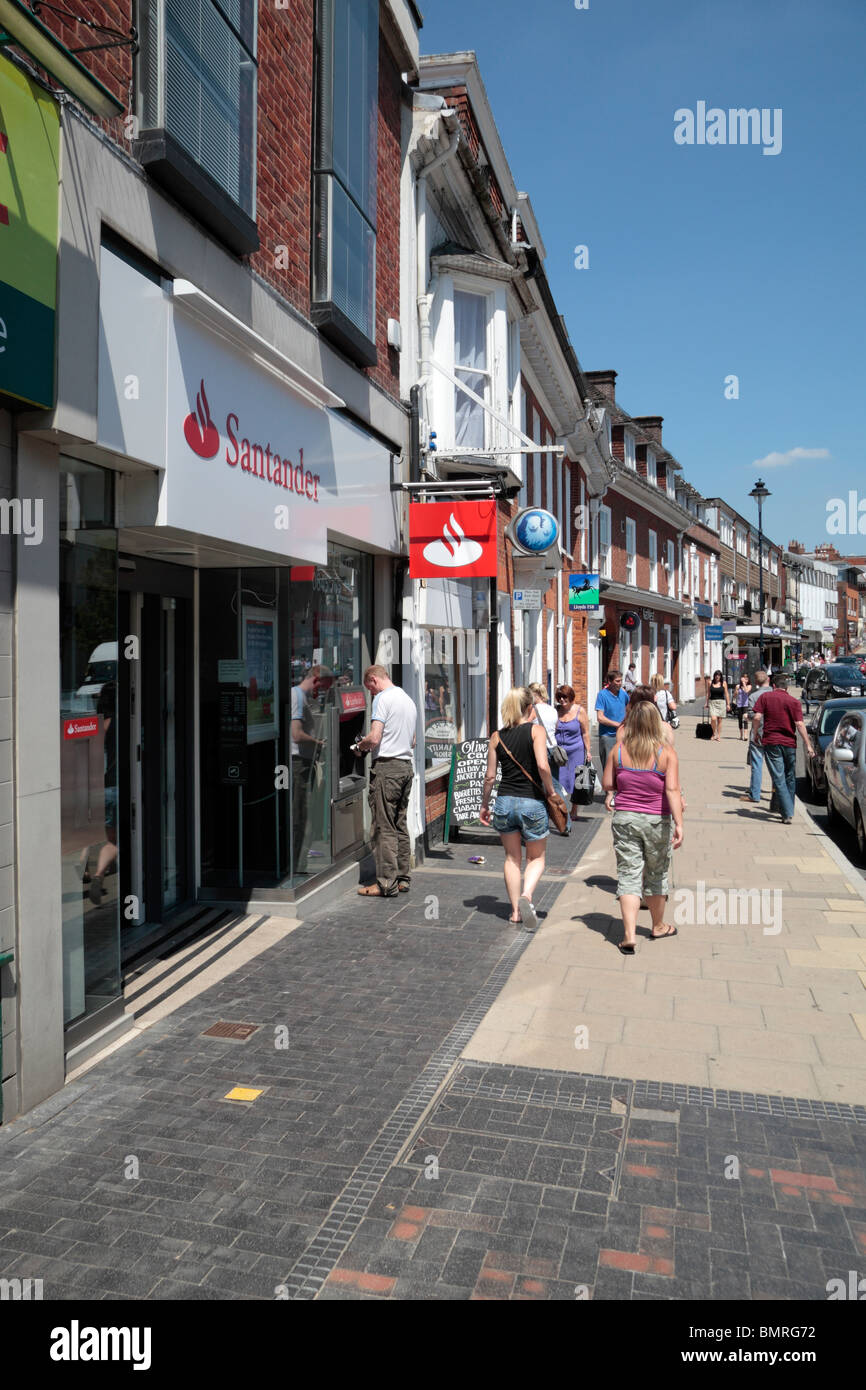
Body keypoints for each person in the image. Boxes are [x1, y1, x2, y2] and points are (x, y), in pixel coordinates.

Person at [602, 701, 684, 953]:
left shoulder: (618, 750)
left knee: (628, 874)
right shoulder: (666, 752)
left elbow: (607, 784)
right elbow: (671, 789)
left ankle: (629, 934)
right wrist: (679, 823)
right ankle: (658, 926)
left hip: (625, 819)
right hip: (656, 820)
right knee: (657, 874)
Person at [480, 687, 557, 930]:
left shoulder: (496, 736)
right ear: (528, 708)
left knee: (512, 858)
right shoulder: (537, 731)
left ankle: (514, 912)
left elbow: (490, 777)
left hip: (504, 802)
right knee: (537, 857)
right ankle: (527, 896)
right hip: (531, 801)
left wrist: (484, 804)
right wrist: (551, 791)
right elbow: (543, 766)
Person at [356, 665, 417, 897]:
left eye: (369, 688)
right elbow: (411, 741)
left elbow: (375, 737)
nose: (371, 693)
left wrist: (359, 746)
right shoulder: (408, 700)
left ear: (374, 680)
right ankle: (402, 878)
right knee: (400, 824)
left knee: (383, 827)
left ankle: (386, 884)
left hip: (387, 769)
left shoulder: (383, 699)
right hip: (405, 768)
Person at [751, 673, 815, 824]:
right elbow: (799, 724)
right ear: (786, 688)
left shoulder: (765, 698)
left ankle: (786, 813)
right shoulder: (794, 702)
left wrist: (755, 734)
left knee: (778, 777)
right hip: (789, 743)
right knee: (789, 776)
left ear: (773, 686)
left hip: (772, 742)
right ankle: (789, 808)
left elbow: (756, 717)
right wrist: (808, 744)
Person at [290, 665, 332, 874]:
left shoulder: (303, 698)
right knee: (300, 814)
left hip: (305, 762)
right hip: (299, 763)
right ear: (315, 680)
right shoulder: (297, 696)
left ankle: (299, 862)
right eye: (323, 687)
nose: (322, 692)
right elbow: (295, 734)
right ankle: (295, 863)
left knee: (305, 815)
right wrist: (318, 742)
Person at [553, 684, 591, 822]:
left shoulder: (580, 711)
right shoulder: (556, 711)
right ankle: (559, 809)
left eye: (565, 697)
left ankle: (574, 810)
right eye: (560, 697)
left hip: (576, 750)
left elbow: (585, 733)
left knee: (576, 781)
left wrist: (588, 751)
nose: (562, 700)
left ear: (571, 697)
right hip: (559, 752)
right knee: (558, 780)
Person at [739, 670, 769, 805]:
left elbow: (753, 715)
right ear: (768, 679)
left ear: (756, 682)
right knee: (776, 766)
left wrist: (747, 716)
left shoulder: (754, 696)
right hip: (774, 734)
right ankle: (777, 795)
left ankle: (755, 794)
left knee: (756, 765)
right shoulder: (775, 694)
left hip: (759, 734)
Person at [595, 670, 629, 769]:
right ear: (609, 682)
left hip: (623, 735)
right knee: (608, 767)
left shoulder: (623, 694)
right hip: (607, 736)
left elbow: (630, 708)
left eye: (621, 681)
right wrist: (618, 725)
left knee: (623, 766)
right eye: (617, 681)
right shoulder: (602, 695)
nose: (620, 683)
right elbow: (600, 718)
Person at [528, 682, 558, 748]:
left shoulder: (533, 710)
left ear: (534, 694)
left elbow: (524, 727)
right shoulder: (553, 710)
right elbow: (555, 728)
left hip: (540, 748)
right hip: (553, 746)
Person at [704, 668, 730, 741]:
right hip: (712, 702)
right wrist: (706, 702)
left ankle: (718, 735)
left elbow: (727, 694)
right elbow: (708, 693)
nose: (717, 677)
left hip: (721, 703)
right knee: (713, 718)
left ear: (721, 676)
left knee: (719, 720)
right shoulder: (710, 682)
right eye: (716, 675)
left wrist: (728, 704)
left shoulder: (724, 683)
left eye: (719, 675)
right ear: (714, 676)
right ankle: (713, 733)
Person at [734, 673, 752, 741]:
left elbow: (746, 691)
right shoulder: (738, 686)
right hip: (739, 704)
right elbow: (735, 696)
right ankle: (741, 735)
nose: (745, 680)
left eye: (747, 679)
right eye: (744, 678)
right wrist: (736, 691)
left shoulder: (749, 686)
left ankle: (745, 735)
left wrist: (744, 683)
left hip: (745, 704)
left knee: (745, 718)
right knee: (740, 720)